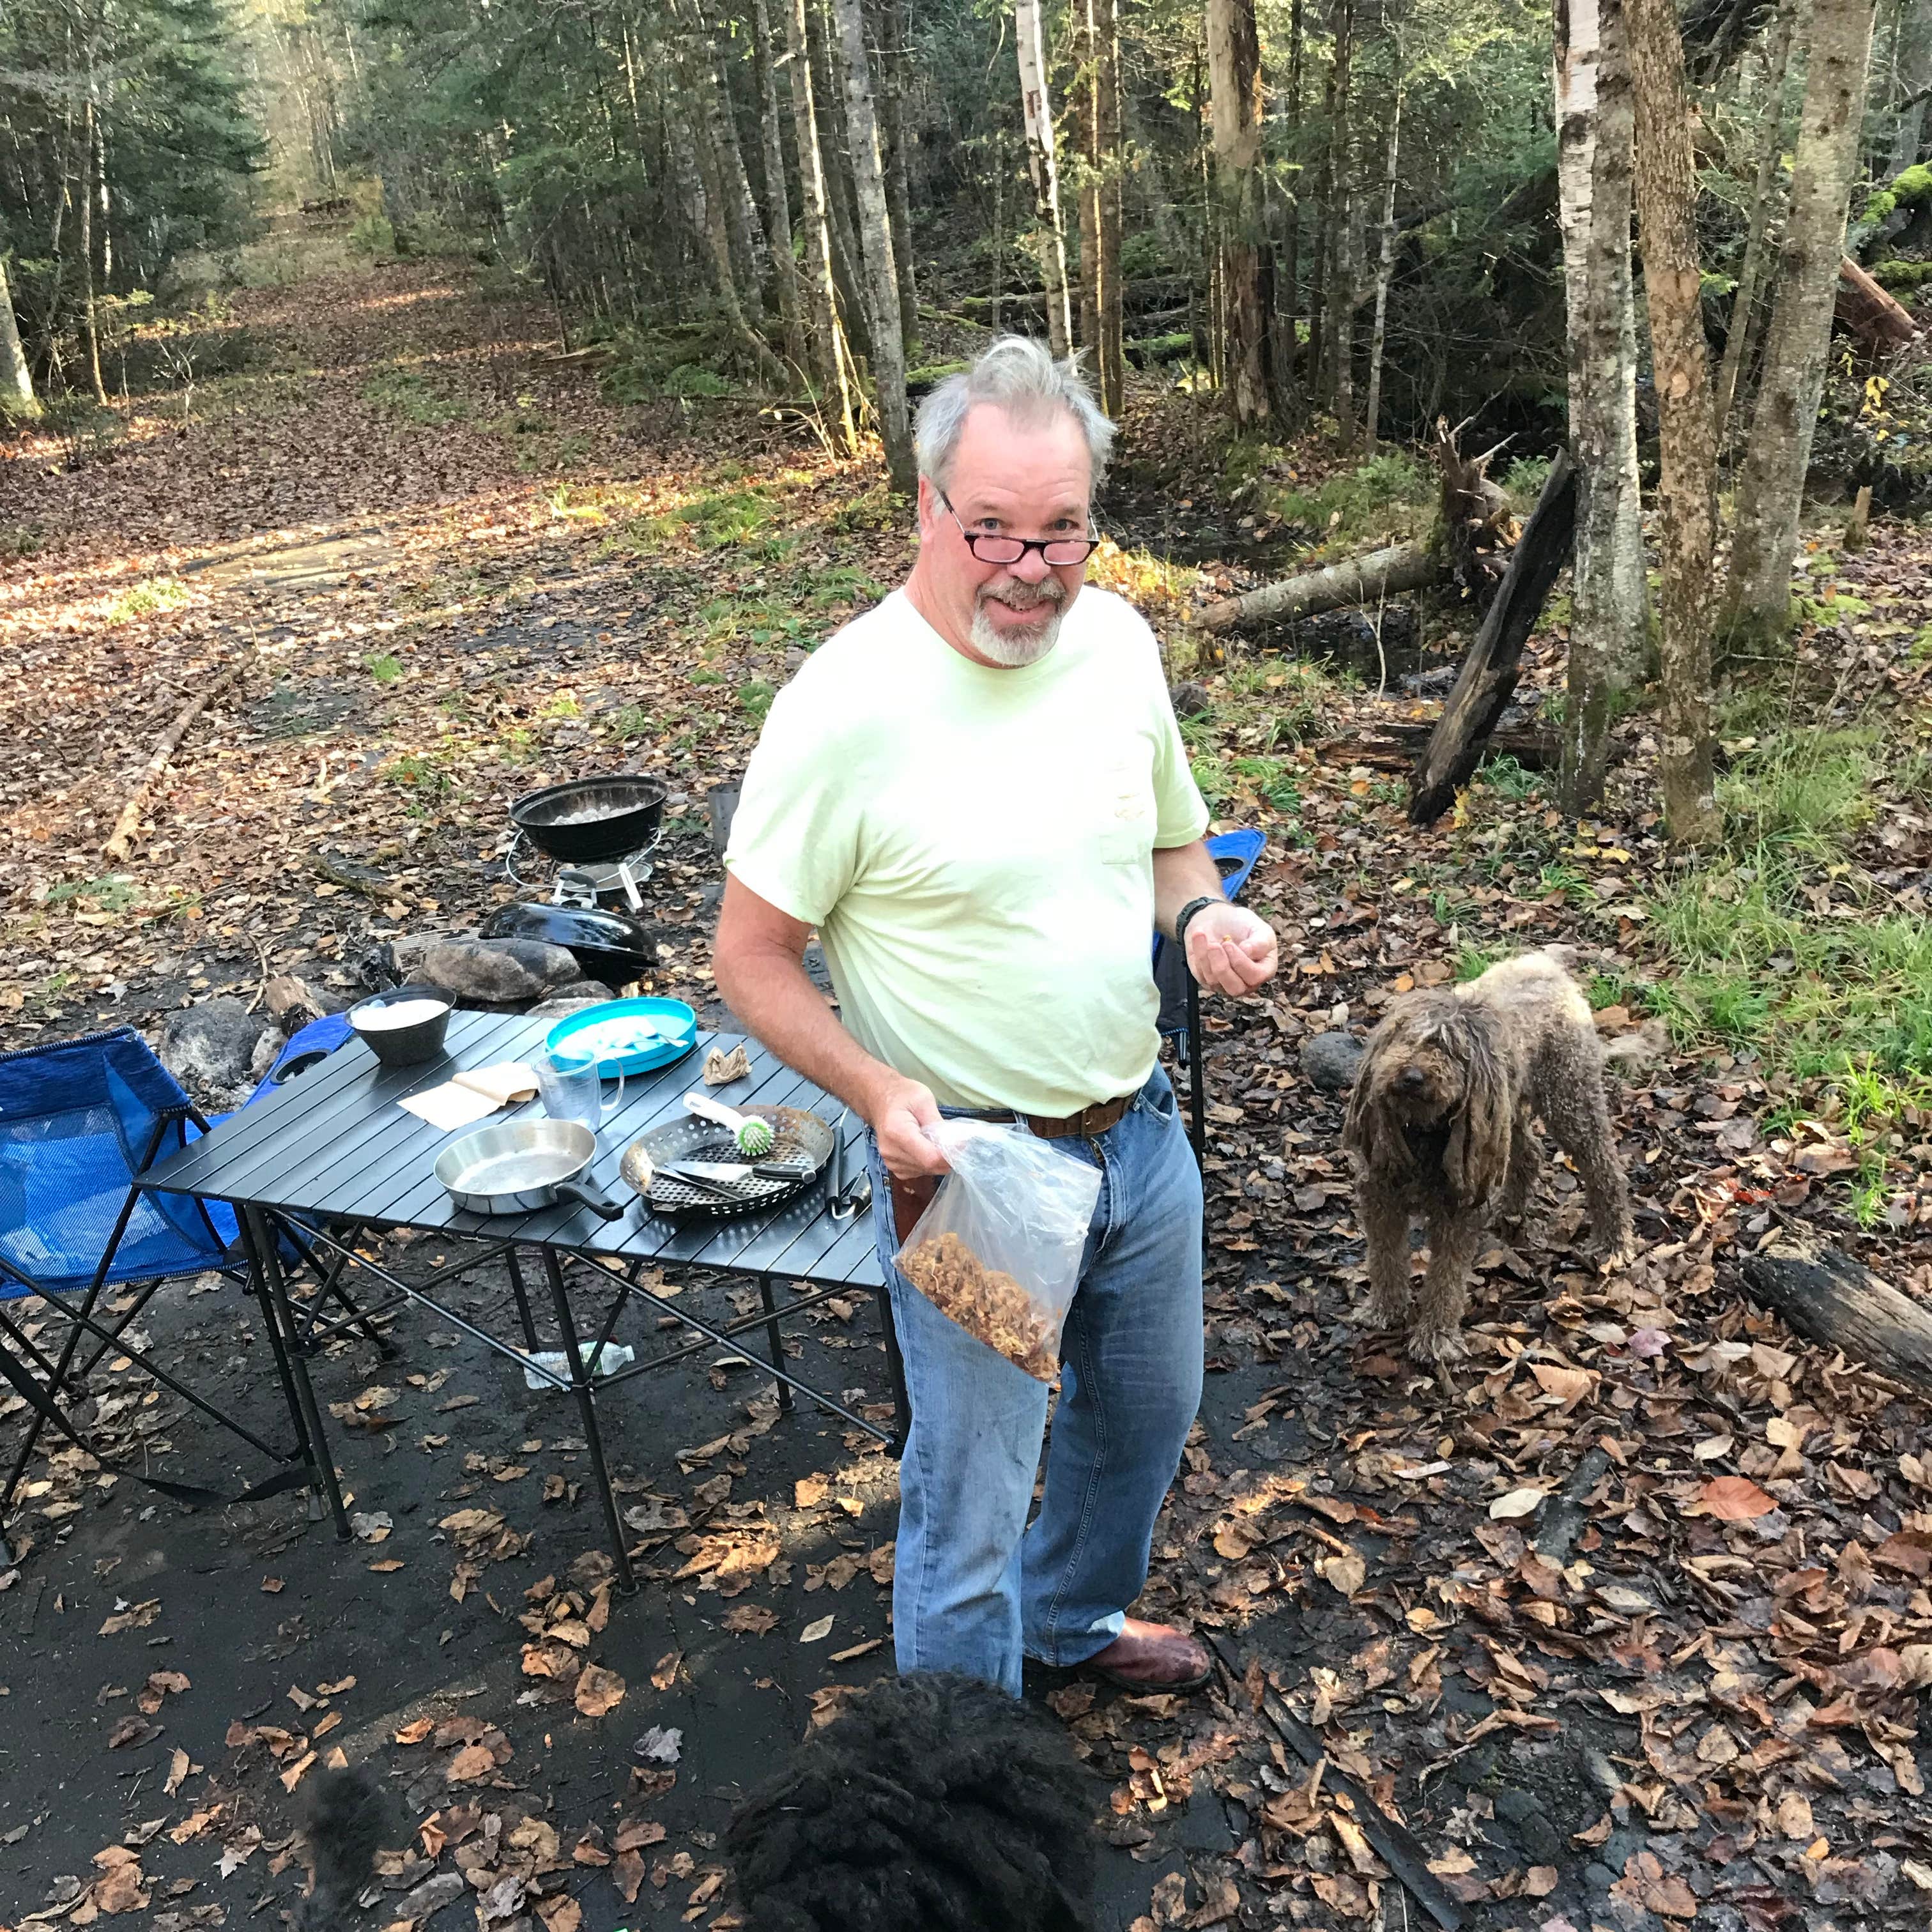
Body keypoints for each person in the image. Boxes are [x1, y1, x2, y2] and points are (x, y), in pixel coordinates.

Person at [714, 337, 1278, 1698]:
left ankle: (1069, 1624)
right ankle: (957, 1769)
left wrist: (1202, 917)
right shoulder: (843, 709)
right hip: (976, 1171)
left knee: (1145, 1421)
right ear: (927, 507)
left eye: (1062, 530)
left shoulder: (1119, 644)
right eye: (994, 531)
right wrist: (872, 1091)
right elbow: (751, 956)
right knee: (972, 1493)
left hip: (1138, 1130)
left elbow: (1172, 843)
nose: (1032, 568)